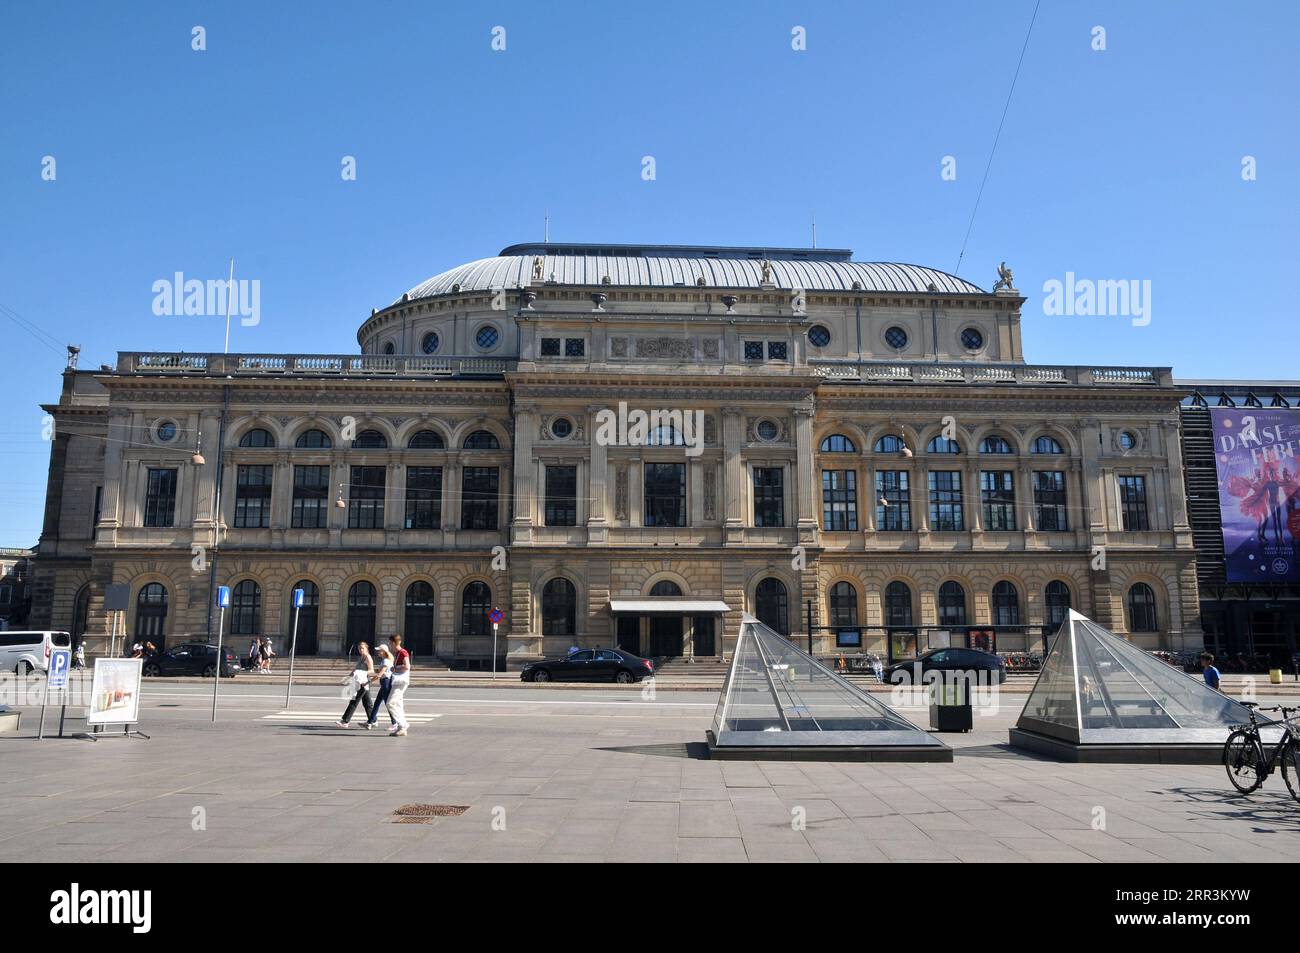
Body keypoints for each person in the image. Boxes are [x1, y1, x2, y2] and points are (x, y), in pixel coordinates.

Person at [337, 642, 375, 727]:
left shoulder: (368, 657)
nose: (361, 650)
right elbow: (355, 669)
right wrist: (348, 677)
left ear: (366, 648)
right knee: (367, 703)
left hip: (364, 681)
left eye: (362, 648)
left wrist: (361, 673)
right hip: (359, 681)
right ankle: (373, 720)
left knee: (354, 701)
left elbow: (372, 670)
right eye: (359, 648)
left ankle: (345, 721)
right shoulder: (361, 657)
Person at [386, 633, 412, 737]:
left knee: (390, 703)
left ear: (393, 642)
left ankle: (403, 725)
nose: (389, 644)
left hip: (400, 682)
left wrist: (395, 668)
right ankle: (402, 729)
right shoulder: (398, 653)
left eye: (390, 642)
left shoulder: (402, 652)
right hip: (397, 681)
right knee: (398, 704)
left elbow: (407, 666)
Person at [366, 644, 396, 731]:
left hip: (386, 683)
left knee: (388, 704)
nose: (378, 652)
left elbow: (380, 674)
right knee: (377, 703)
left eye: (379, 650)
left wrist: (369, 681)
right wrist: (367, 670)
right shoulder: (384, 660)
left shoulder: (386, 661)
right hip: (384, 683)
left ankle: (394, 723)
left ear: (383, 651)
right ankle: (370, 722)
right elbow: (379, 671)